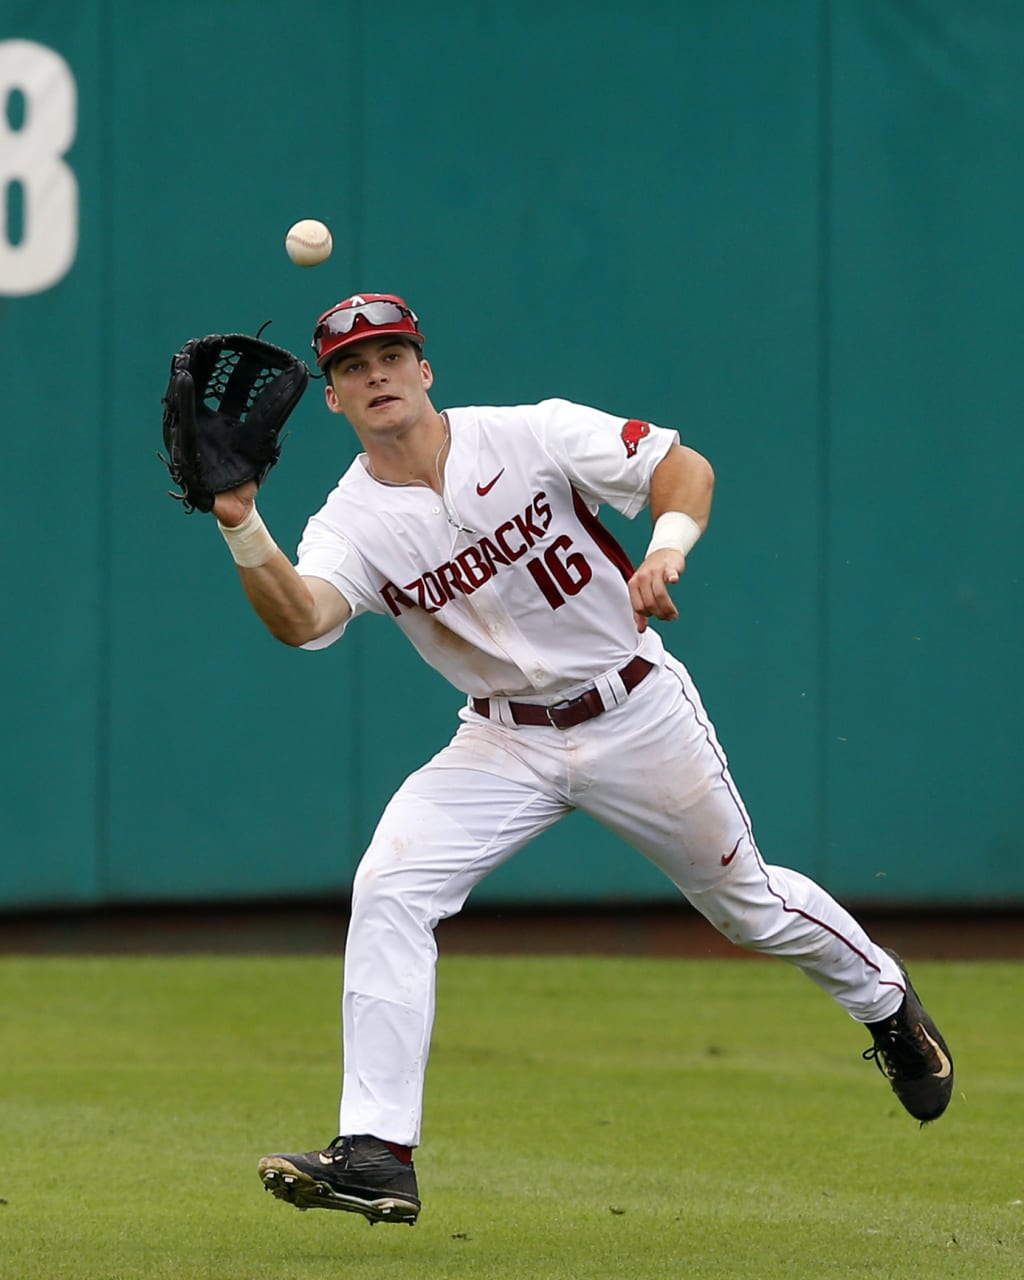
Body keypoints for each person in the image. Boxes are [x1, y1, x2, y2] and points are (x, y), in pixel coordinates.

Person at [210, 293, 954, 1227]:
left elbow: (683, 467)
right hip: (502, 738)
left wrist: (666, 547)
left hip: (633, 707)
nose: (378, 376)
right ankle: (377, 1152)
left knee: (747, 908)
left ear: (426, 368)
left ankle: (883, 998)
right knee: (391, 888)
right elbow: (304, 619)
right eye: (355, 368)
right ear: (332, 400)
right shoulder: (351, 518)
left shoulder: (534, 435)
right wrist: (241, 523)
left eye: (392, 355)